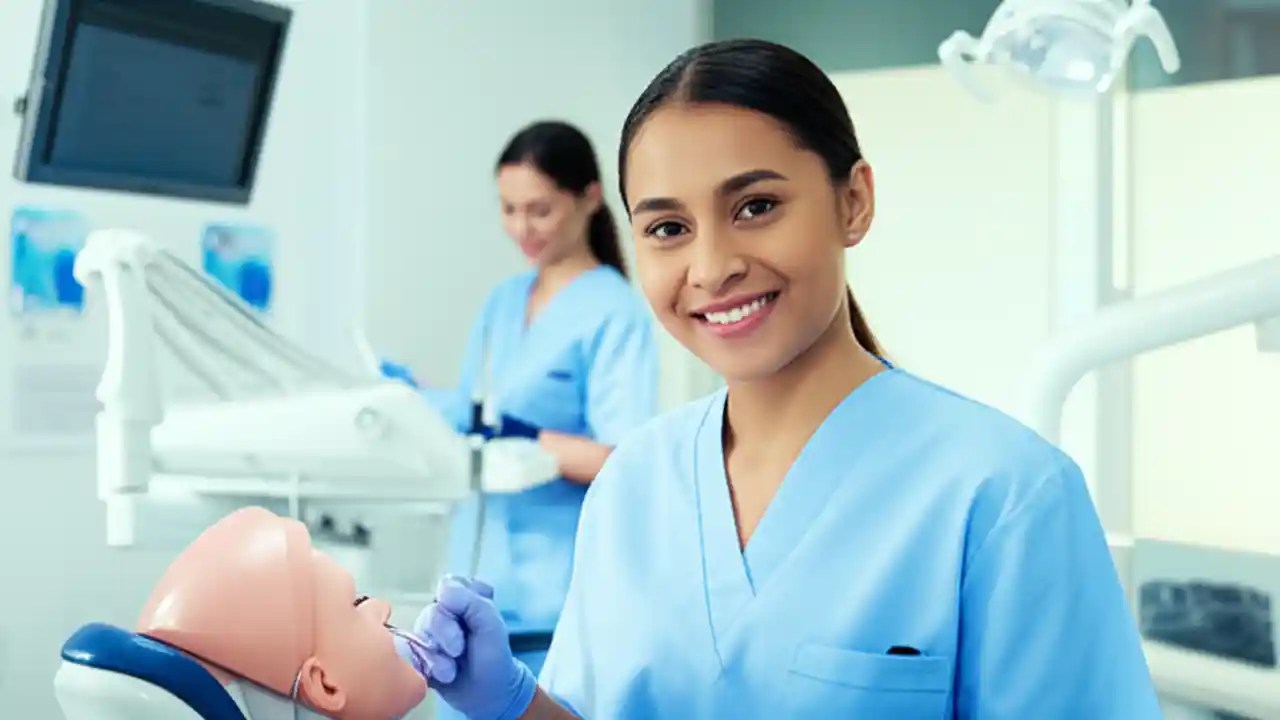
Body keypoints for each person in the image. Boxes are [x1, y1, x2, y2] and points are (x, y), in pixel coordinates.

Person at [405, 40, 1162, 719]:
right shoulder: (634, 487)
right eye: (669, 229)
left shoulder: (1002, 496)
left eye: (756, 206)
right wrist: (511, 704)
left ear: (853, 201)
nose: (712, 268)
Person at [384, 121, 660, 688]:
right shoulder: (503, 301)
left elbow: (623, 461)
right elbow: (475, 414)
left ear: (589, 197)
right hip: (470, 584)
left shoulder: (614, 311)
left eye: (539, 210)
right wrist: (412, 401)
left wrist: (527, 438)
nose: (521, 228)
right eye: (508, 210)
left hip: (552, 600)